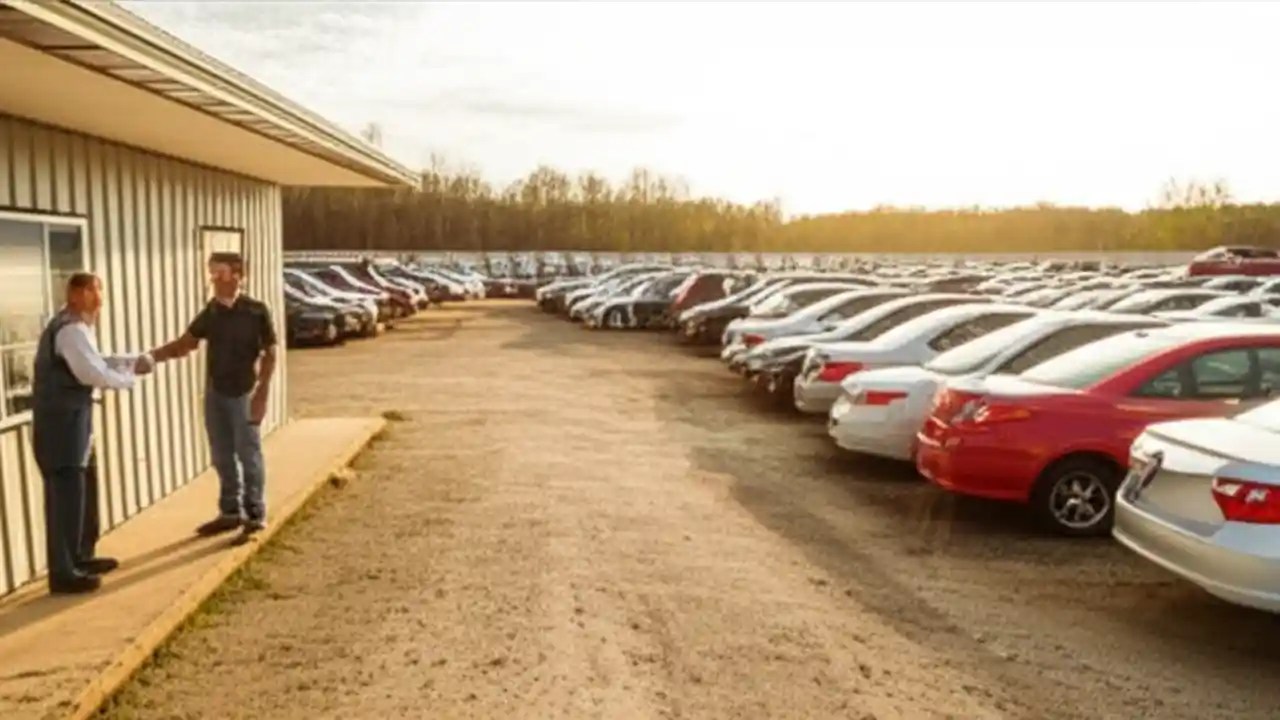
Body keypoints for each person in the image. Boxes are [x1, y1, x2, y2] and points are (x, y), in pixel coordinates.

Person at [31, 272, 151, 594]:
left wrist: (130, 362)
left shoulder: (79, 328)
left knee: (85, 492)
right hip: (62, 426)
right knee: (66, 498)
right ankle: (64, 571)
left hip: (76, 422)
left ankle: (82, 556)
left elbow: (97, 361)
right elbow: (90, 372)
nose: (101, 297)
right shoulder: (69, 330)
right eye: (96, 290)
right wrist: (128, 379)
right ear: (79, 294)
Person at [150, 252, 277, 545]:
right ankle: (230, 511)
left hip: (245, 392)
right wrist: (149, 358)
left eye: (219, 273)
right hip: (216, 393)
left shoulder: (256, 311)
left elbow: (270, 352)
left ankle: (254, 515)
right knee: (221, 454)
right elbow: (187, 343)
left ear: (237, 274)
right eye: (211, 273)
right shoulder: (212, 311)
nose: (214, 280)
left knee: (249, 454)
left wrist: (262, 391)